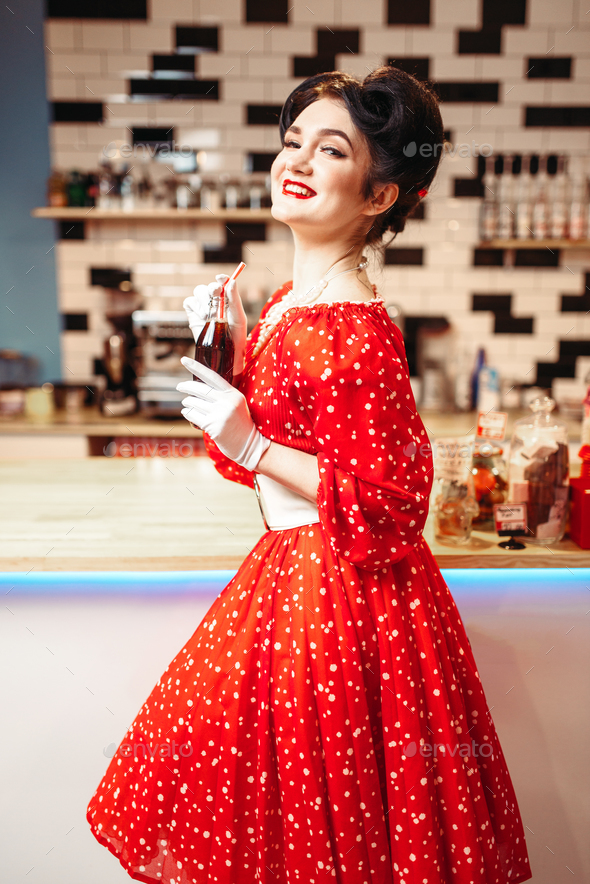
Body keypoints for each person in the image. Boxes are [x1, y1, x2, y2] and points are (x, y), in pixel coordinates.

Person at [87, 67, 531, 884]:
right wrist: (229, 348)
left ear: (378, 197)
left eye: (332, 150)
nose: (297, 158)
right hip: (303, 582)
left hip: (338, 600)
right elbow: (269, 451)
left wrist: (252, 441)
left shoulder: (350, 326)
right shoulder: (296, 300)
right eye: (293, 141)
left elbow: (392, 505)